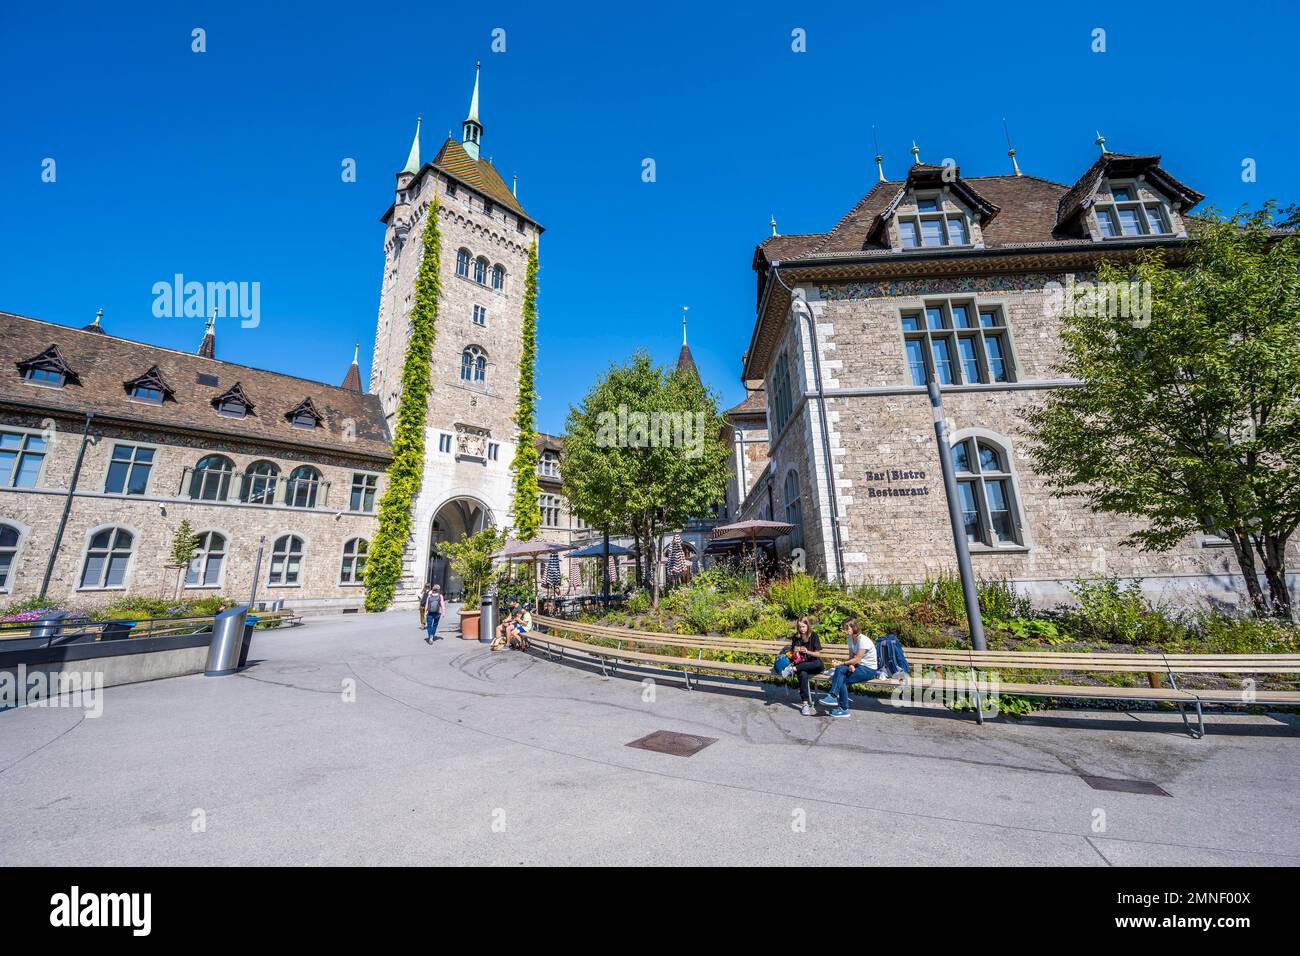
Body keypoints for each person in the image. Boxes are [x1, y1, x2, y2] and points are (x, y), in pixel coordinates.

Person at [819, 618, 878, 718]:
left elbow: (858, 658)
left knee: (841, 678)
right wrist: (851, 665)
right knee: (840, 670)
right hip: (858, 666)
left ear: (854, 627)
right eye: (844, 628)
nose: (845, 630)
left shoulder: (863, 640)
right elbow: (852, 657)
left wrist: (842, 663)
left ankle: (842, 707)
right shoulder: (850, 639)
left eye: (847, 628)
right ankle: (834, 699)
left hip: (868, 669)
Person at [780, 615, 824, 716]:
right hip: (802, 665)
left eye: (804, 626)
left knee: (818, 663)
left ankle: (793, 669)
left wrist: (807, 651)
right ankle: (805, 704)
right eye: (800, 627)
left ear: (808, 626)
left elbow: (818, 654)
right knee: (802, 674)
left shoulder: (814, 636)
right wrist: (795, 652)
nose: (802, 629)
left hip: (814, 665)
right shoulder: (796, 637)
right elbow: (793, 654)